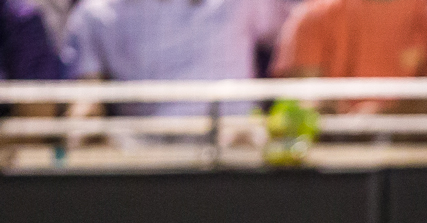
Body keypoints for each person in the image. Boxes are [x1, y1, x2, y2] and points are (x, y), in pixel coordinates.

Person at [62, 0, 286, 120]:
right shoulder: (94, 14)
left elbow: (297, 36)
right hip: (141, 151)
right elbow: (87, 97)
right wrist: (83, 123)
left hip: (235, 140)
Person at [274, 0, 427, 113]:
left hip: (417, 172)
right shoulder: (310, 17)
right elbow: (301, 104)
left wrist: (379, 120)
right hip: (329, 172)